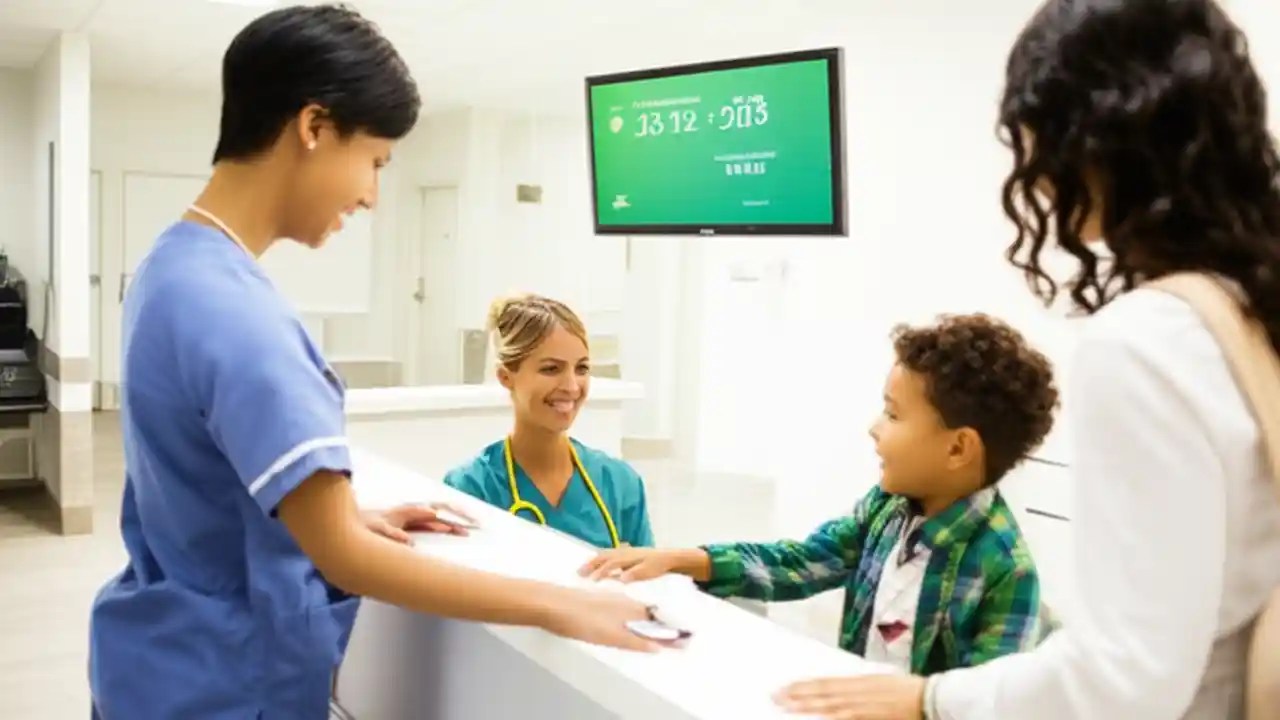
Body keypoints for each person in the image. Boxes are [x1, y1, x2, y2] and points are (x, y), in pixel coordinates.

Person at [87, 7, 661, 719]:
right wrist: (559, 605)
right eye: (376, 162)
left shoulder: (167, 269)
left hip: (153, 668)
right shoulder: (243, 317)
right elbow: (345, 561)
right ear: (314, 127)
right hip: (228, 687)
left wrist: (345, 510)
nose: (370, 195)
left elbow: (200, 481)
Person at [772, 1, 1280, 718]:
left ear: (1088, 136)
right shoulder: (1253, 311)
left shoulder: (1148, 341)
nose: (1032, 174)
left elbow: (1126, 676)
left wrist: (928, 698)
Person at [582, 314, 1058, 675]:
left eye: (893, 415)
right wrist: (683, 559)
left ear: (958, 448)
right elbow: (804, 563)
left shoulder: (1006, 572)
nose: (874, 429)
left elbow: (988, 707)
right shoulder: (887, 510)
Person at [444, 293, 655, 549]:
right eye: (551, 369)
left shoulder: (620, 483)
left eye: (582, 369)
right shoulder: (472, 488)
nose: (571, 386)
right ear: (506, 377)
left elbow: (650, 584)